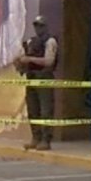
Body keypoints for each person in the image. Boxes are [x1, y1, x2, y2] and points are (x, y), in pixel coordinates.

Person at [16, 14, 60, 150]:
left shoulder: (50, 41)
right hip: (31, 77)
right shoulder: (30, 41)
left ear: (45, 26)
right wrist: (19, 63)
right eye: (36, 25)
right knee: (32, 109)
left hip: (44, 76)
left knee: (46, 110)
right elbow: (20, 56)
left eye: (40, 25)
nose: (38, 28)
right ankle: (36, 137)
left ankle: (46, 139)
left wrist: (30, 59)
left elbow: (49, 61)